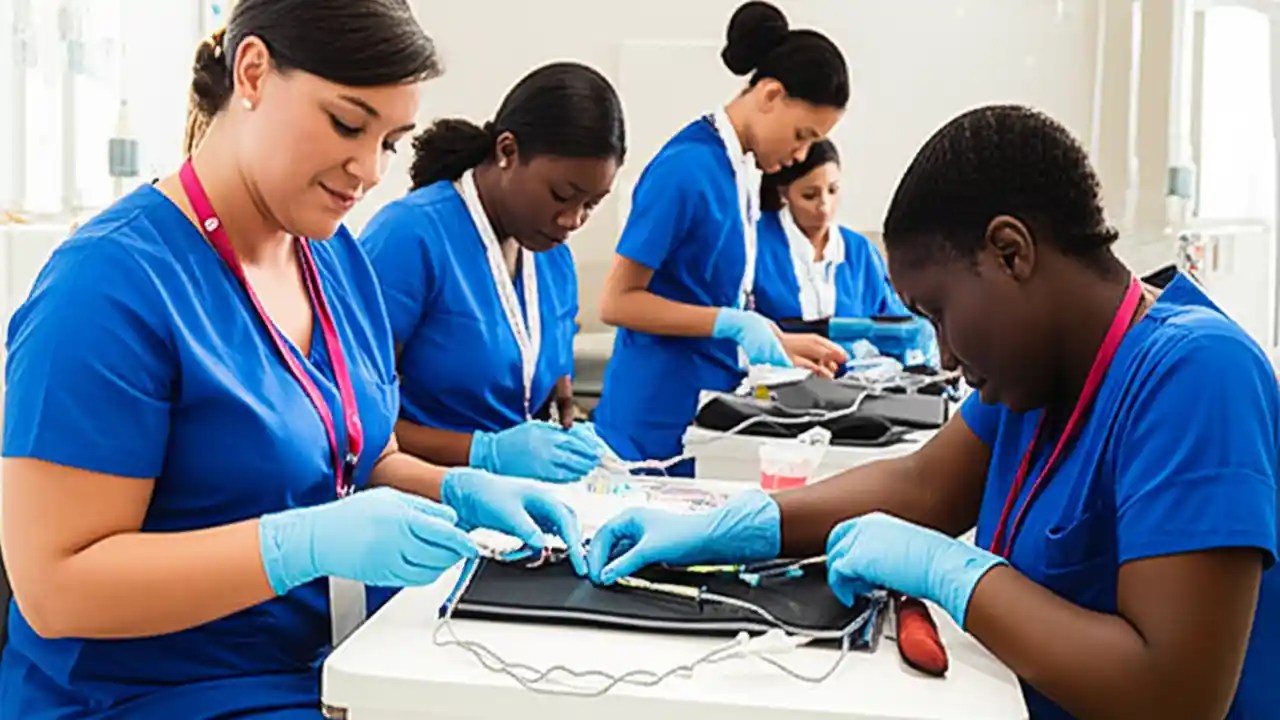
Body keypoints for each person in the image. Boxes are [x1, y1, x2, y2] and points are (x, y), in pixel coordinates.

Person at [586, 105, 1278, 719]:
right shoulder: (1040, 375)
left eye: (939, 312)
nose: (944, 355)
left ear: (1012, 252)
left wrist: (953, 572)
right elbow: (922, 487)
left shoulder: (1195, 374)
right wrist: (728, 530)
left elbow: (1173, 696)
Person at [0, 3, 584, 717]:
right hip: (152, 695)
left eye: (390, 142)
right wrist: (296, 545)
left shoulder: (332, 259)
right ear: (252, 72)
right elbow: (56, 588)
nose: (369, 170)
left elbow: (363, 457)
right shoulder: (107, 287)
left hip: (331, 666)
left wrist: (464, 487)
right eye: (346, 124)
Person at [593, 1, 851, 477]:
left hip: (703, 407)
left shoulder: (740, 173)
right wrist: (735, 324)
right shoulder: (687, 168)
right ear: (770, 94)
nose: (799, 155)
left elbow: (702, 294)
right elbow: (617, 302)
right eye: (801, 135)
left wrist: (777, 339)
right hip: (653, 414)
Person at [360, 62, 624, 484]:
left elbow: (552, 388)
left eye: (592, 204)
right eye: (562, 195)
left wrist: (566, 430)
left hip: (517, 508)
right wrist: (484, 453)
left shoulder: (552, 258)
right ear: (506, 151)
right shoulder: (410, 237)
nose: (573, 219)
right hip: (423, 502)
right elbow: (349, 425)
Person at [753, 139, 936, 366]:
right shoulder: (753, 245)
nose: (824, 205)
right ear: (784, 192)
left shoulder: (860, 251)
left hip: (856, 384)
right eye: (810, 195)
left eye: (833, 190)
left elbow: (899, 327)